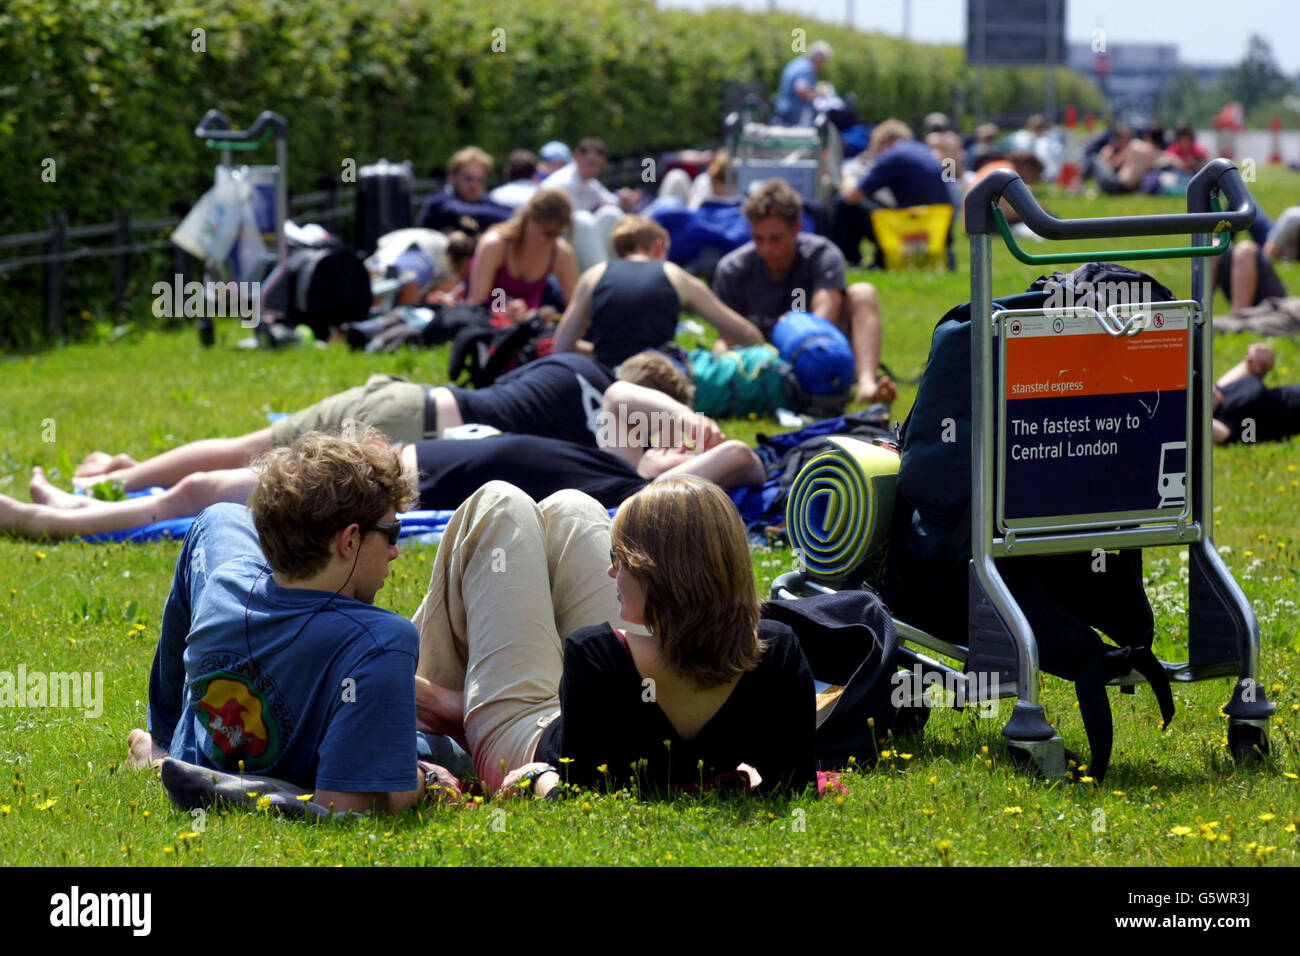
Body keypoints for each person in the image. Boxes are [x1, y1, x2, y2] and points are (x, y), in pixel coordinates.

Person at [125, 430, 463, 813]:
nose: (396, 552)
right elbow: (344, 805)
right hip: (312, 771)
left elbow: (218, 522)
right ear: (349, 540)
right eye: (391, 532)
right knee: (450, 752)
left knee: (218, 518)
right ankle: (254, 786)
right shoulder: (380, 640)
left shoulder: (223, 585)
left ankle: (165, 747)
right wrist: (426, 780)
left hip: (204, 746)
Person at [412, 477, 817, 795]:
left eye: (618, 559)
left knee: (498, 503)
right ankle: (453, 703)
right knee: (574, 508)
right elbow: (792, 780)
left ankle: (431, 702)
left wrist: (533, 780)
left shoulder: (595, 652)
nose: (610, 572)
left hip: (530, 735)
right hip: (598, 703)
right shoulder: (777, 649)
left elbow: (572, 787)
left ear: (659, 574)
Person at [66, 350, 696, 494]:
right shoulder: (605, 416)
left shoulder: (573, 363)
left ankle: (124, 474)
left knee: (246, 447)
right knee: (274, 476)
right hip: (417, 431)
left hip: (403, 394)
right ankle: (118, 492)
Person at [712, 179, 896, 405]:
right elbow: (726, 339)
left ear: (797, 229)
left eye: (775, 239)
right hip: (763, 361)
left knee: (863, 292)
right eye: (758, 238)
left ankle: (866, 384)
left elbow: (820, 325)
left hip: (819, 349)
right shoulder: (733, 268)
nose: (766, 249)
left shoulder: (822, 255)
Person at [552, 215, 764, 368]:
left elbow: (561, 346)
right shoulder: (673, 274)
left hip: (604, 377)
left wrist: (603, 351)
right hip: (658, 376)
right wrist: (762, 349)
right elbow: (744, 332)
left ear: (617, 250)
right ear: (659, 246)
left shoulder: (593, 275)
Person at [834, 119, 954, 270]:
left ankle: (853, 261)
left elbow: (851, 196)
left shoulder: (893, 156)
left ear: (884, 140)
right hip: (936, 229)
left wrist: (847, 175)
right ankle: (879, 257)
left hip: (910, 228)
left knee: (843, 204)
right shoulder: (922, 150)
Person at [465, 187, 580, 318]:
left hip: (529, 328)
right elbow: (476, 304)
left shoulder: (561, 253)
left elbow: (575, 310)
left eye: (558, 234)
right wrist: (504, 314)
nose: (552, 240)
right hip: (488, 324)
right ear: (529, 218)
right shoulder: (495, 245)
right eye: (548, 233)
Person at [541, 137, 643, 270]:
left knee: (611, 215)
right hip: (555, 244)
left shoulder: (590, 183)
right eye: (591, 163)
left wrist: (624, 199)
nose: (595, 170)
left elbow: (611, 201)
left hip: (578, 244)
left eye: (599, 166)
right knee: (582, 220)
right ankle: (603, 277)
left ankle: (618, 269)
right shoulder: (559, 183)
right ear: (577, 156)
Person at [1212, 343, 1300, 444]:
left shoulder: (1221, 389)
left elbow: (1252, 365)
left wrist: (1260, 356)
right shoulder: (1224, 421)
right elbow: (1222, 435)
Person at [416, 146, 512, 238]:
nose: (474, 185)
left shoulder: (483, 201)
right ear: (452, 177)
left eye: (481, 180)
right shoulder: (439, 201)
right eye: (468, 178)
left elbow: (505, 213)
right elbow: (458, 210)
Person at [773, 41, 832, 126]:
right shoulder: (807, 68)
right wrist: (819, 95)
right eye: (823, 62)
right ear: (819, 59)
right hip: (792, 113)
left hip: (784, 107)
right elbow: (801, 90)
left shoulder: (798, 62)